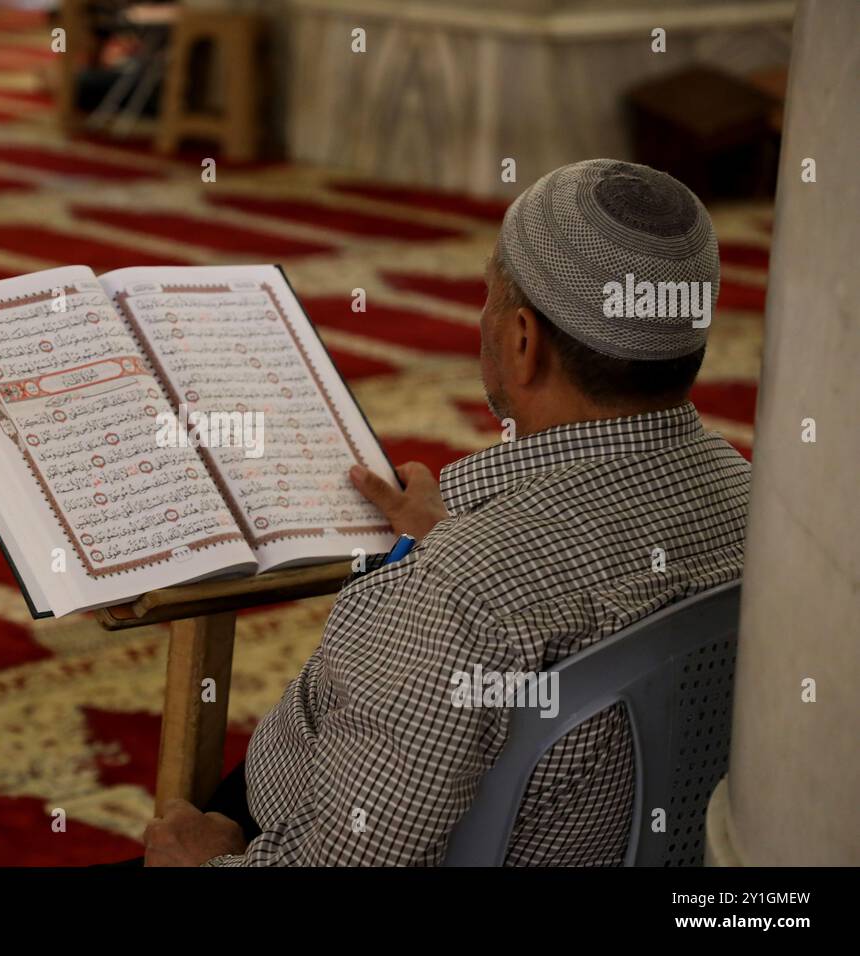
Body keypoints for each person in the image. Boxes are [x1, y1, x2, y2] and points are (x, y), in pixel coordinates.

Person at [140, 158, 752, 867]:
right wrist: (458, 541)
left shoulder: (459, 595)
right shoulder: (750, 499)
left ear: (522, 342)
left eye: (490, 293)